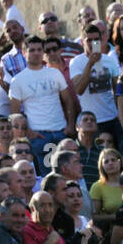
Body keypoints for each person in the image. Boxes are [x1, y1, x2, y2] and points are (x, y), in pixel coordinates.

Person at [8, 36, 73, 172]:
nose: (36, 53)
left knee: (69, 173)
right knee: (48, 178)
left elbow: (69, 101)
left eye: (39, 50)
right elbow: (14, 114)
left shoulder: (55, 73)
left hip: (61, 131)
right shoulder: (17, 80)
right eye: (32, 50)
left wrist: (71, 125)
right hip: (39, 136)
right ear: (24, 53)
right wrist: (29, 132)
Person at [69, 24, 122, 141]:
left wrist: (120, 114)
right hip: (92, 121)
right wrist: (90, 64)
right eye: (89, 40)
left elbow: (117, 90)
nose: (93, 43)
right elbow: (79, 90)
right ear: (82, 42)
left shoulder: (109, 60)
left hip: (112, 117)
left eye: (96, 40)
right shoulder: (76, 62)